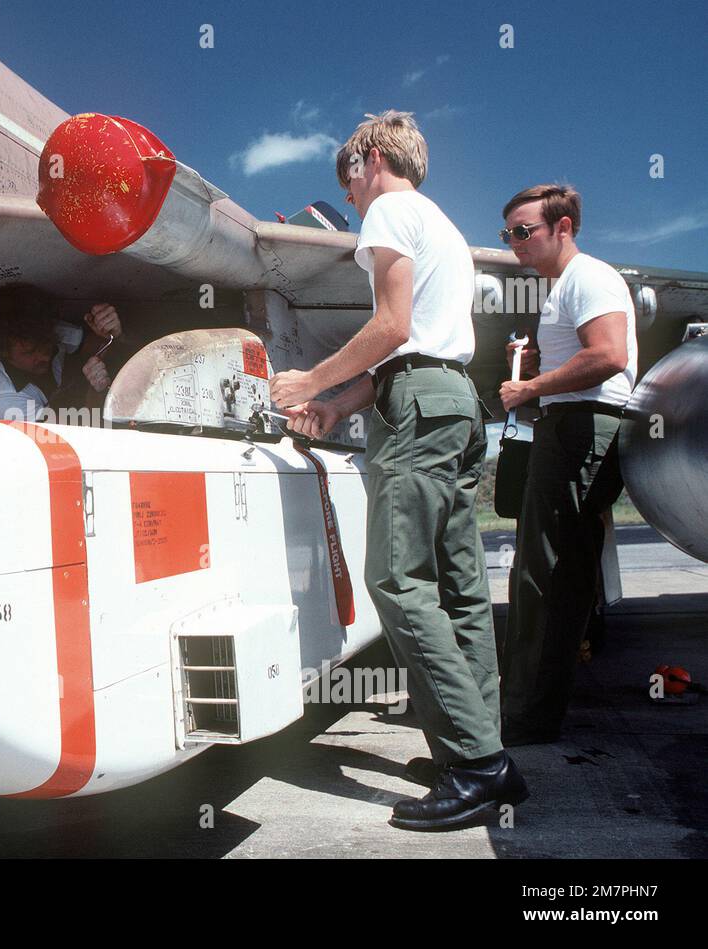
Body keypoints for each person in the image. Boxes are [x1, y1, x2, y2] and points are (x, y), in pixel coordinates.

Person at [270, 111, 526, 830]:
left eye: (346, 183)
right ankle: (476, 748)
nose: (349, 200)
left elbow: (390, 328)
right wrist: (336, 406)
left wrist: (308, 383)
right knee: (462, 590)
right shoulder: (440, 223)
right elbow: (404, 356)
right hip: (454, 403)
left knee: (397, 580)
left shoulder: (387, 208)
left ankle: (476, 765)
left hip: (421, 411)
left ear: (369, 160)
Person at [496, 184, 636, 745]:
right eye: (507, 233)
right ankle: (531, 704)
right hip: (571, 424)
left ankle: (527, 716)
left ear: (564, 227)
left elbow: (608, 355)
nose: (513, 243)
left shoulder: (588, 276)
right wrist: (545, 370)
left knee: (546, 575)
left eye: (523, 231)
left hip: (581, 429)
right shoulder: (564, 287)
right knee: (555, 572)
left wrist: (530, 384)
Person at [0, 284, 122, 421]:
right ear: (3, 352)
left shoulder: (44, 332)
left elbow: (93, 343)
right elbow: (77, 433)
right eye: (29, 352)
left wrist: (107, 333)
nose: (45, 356)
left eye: (47, 344)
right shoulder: (3, 400)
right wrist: (97, 390)